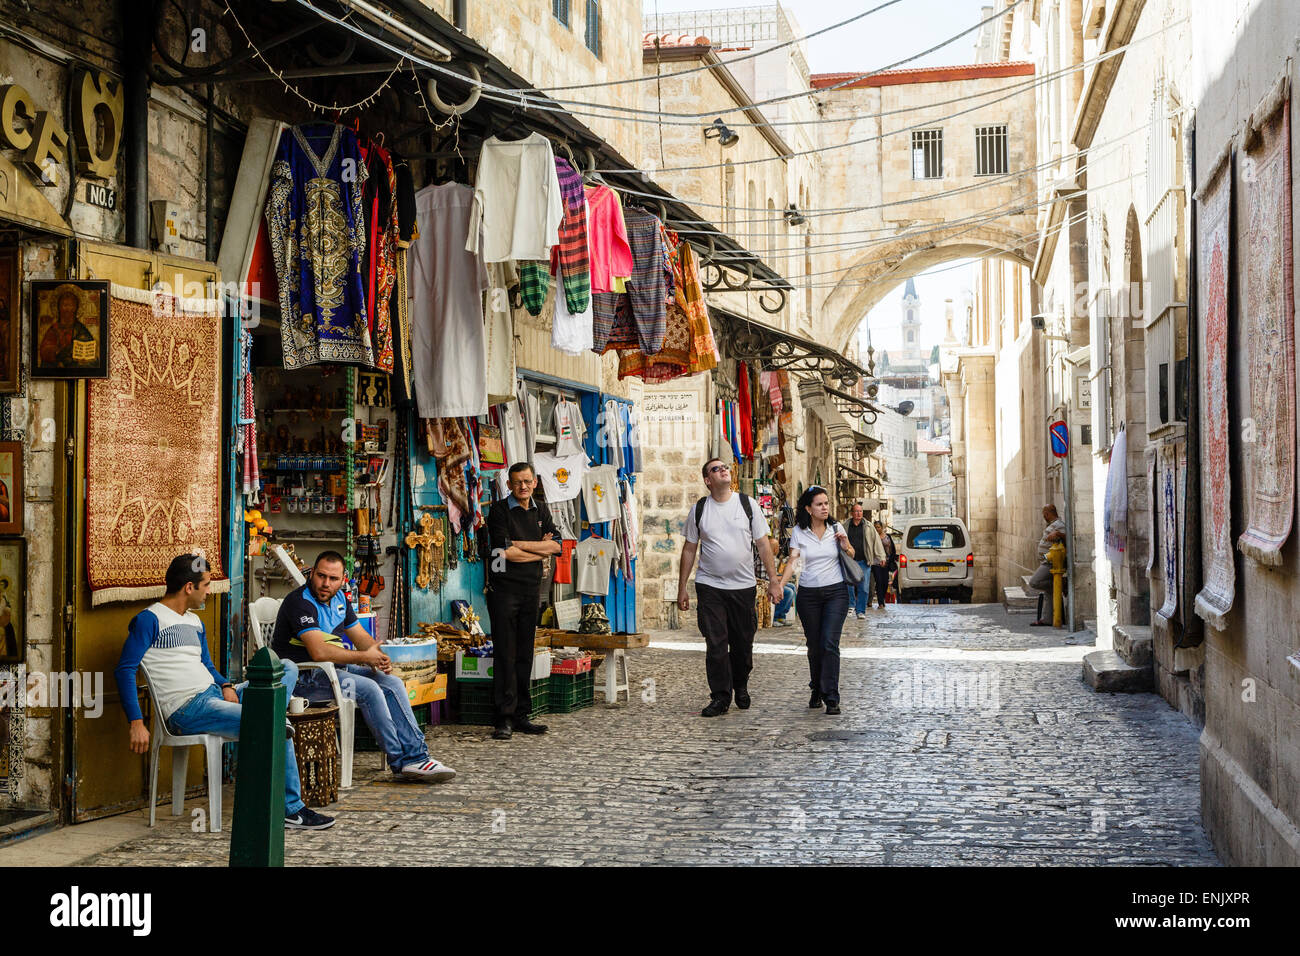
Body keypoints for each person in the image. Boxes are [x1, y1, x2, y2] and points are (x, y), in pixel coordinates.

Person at [115, 554, 334, 830]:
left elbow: (206, 665)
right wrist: (136, 721)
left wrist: (226, 685)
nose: (210, 590)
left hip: (215, 696)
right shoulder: (149, 620)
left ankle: (274, 714)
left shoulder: (195, 622)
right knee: (274, 721)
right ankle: (290, 807)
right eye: (206, 584)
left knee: (287, 667)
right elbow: (124, 670)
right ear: (188, 588)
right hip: (188, 709)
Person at [273, 551, 456, 781]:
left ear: (343, 580)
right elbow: (318, 652)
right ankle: (401, 763)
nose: (325, 583)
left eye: (333, 579)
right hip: (305, 679)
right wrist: (363, 657)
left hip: (333, 673)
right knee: (369, 690)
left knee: (392, 682)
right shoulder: (299, 602)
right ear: (312, 574)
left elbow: (361, 637)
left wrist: (377, 656)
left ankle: (417, 757)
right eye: (320, 576)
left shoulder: (340, 600)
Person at [677, 458, 782, 716]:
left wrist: (774, 581)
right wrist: (682, 588)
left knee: (743, 644)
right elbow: (690, 549)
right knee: (715, 644)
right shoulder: (700, 509)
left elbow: (763, 545)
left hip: (743, 587)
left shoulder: (748, 505)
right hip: (710, 586)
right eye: (716, 469)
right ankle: (720, 697)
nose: (723, 470)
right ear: (707, 480)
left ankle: (741, 684)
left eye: (725, 467)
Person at [485, 462, 561, 740]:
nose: (523, 487)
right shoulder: (498, 511)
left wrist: (521, 545)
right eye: (517, 482)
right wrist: (539, 550)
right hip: (504, 590)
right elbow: (503, 554)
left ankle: (521, 715)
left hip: (531, 590)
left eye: (528, 481)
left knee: (524, 653)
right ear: (509, 485)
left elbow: (557, 545)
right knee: (505, 653)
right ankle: (503, 718)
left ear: (535, 482)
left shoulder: (541, 510)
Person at [776, 487, 853, 715]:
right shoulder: (800, 532)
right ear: (809, 509)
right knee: (814, 646)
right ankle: (816, 688)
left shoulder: (836, 528)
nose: (825, 508)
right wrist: (780, 585)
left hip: (836, 593)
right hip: (809, 595)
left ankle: (831, 696)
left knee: (829, 642)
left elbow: (852, 554)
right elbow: (793, 560)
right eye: (819, 504)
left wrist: (845, 545)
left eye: (826, 503)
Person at [843, 503, 886, 619]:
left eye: (860, 511)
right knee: (849, 585)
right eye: (856, 511)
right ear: (852, 513)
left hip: (864, 561)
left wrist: (881, 556)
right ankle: (851, 605)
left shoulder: (868, 526)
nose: (858, 513)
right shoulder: (845, 526)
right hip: (850, 561)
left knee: (864, 587)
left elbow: (876, 541)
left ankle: (861, 611)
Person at [1028, 504, 1068, 626]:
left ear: (1048, 513)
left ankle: (1063, 585)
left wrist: (1059, 534)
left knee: (1034, 582)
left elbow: (1068, 538)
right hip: (1047, 562)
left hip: (1051, 563)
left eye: (1045, 514)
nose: (1044, 516)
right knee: (1049, 592)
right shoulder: (1052, 525)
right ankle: (1048, 619)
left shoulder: (1059, 525)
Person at [38, 288, 96, 368]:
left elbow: (91, 352)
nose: (68, 309)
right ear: (59, 308)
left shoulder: (81, 329)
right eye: (64, 305)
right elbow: (45, 351)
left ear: (76, 308)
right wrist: (56, 352)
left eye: (71, 305)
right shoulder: (54, 329)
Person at [873, 520, 897, 609]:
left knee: (884, 582)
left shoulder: (888, 537)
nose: (877, 529)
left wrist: (890, 560)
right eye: (875, 527)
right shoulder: (873, 538)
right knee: (878, 582)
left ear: (882, 528)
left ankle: (882, 598)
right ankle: (880, 602)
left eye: (878, 527)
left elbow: (892, 549)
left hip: (887, 563)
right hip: (876, 563)